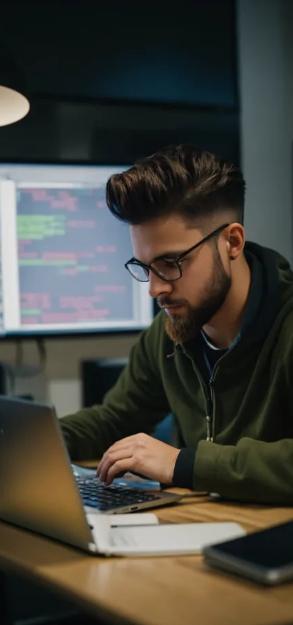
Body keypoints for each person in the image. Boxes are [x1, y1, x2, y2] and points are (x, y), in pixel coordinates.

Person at [60, 145, 293, 504]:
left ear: (232, 242)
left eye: (171, 262)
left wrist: (184, 464)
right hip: (201, 530)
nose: (156, 288)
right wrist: (31, 442)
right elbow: (114, 419)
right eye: (145, 266)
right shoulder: (171, 330)